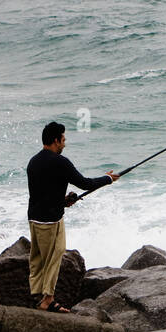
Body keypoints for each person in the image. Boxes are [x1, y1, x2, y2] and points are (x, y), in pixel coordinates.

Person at [25, 121, 119, 313]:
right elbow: (85, 183)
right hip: (51, 221)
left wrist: (64, 200)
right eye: (63, 139)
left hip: (34, 218)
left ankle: (36, 293)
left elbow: (42, 193)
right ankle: (48, 300)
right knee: (54, 257)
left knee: (37, 258)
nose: (65, 143)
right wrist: (107, 179)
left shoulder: (33, 162)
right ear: (56, 140)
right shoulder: (61, 162)